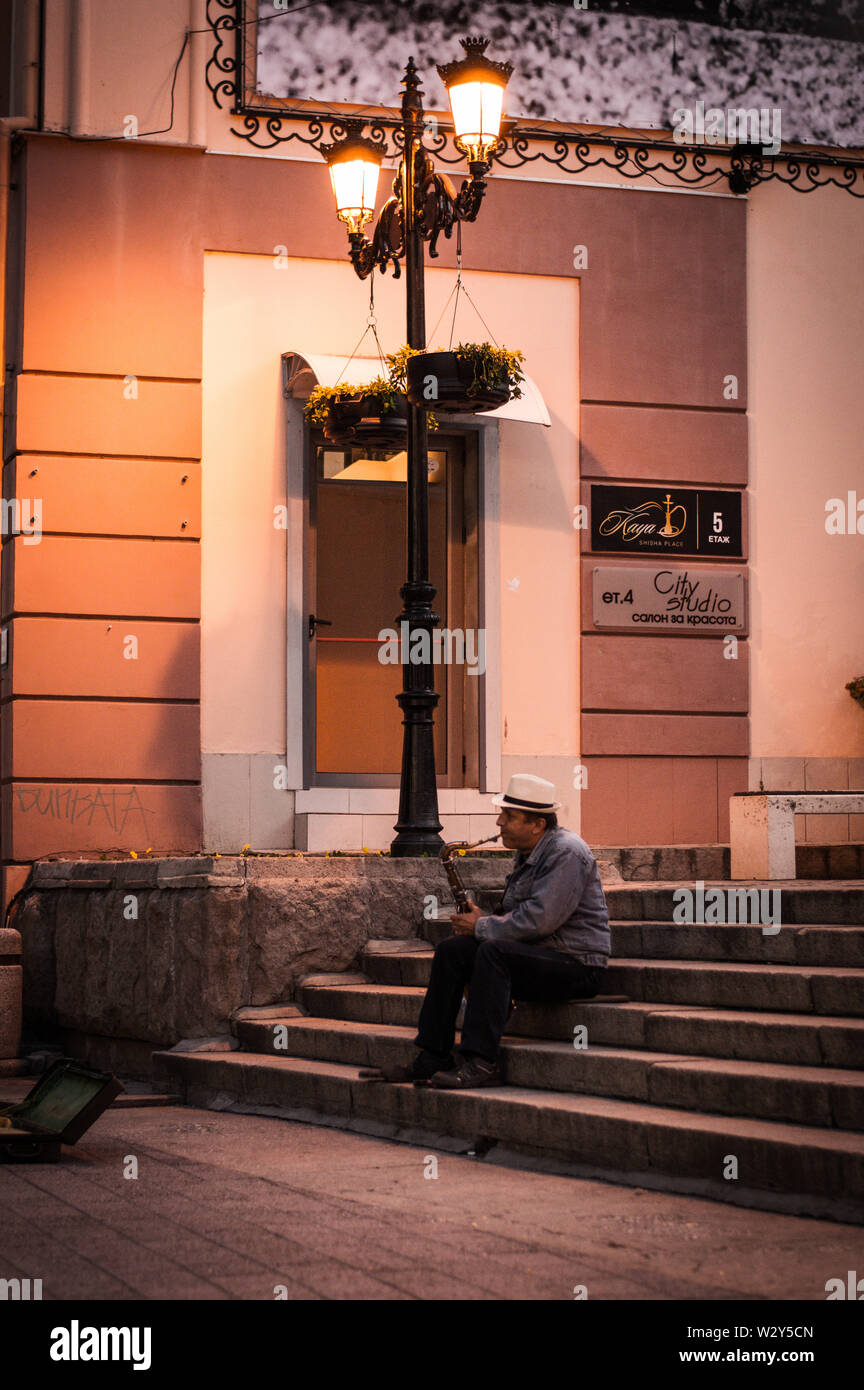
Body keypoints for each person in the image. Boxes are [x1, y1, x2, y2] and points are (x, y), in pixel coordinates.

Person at [361, 773, 610, 1089]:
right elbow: (521, 920)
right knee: (453, 950)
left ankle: (481, 1062)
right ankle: (432, 1057)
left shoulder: (567, 852)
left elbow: (540, 921)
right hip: (541, 957)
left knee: (493, 951)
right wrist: (484, 922)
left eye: (509, 816)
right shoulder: (531, 850)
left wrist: (482, 926)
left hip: (577, 966)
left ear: (538, 824)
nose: (499, 822)